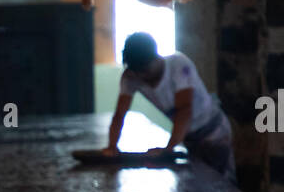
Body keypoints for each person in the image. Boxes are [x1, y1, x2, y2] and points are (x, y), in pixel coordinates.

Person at [95, 32, 236, 181]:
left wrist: (168, 148)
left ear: (156, 57)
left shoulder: (179, 64)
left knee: (222, 183)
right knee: (199, 184)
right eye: (137, 72)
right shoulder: (131, 77)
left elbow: (184, 110)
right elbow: (119, 115)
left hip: (214, 133)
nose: (142, 76)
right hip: (190, 137)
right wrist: (112, 146)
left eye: (145, 70)